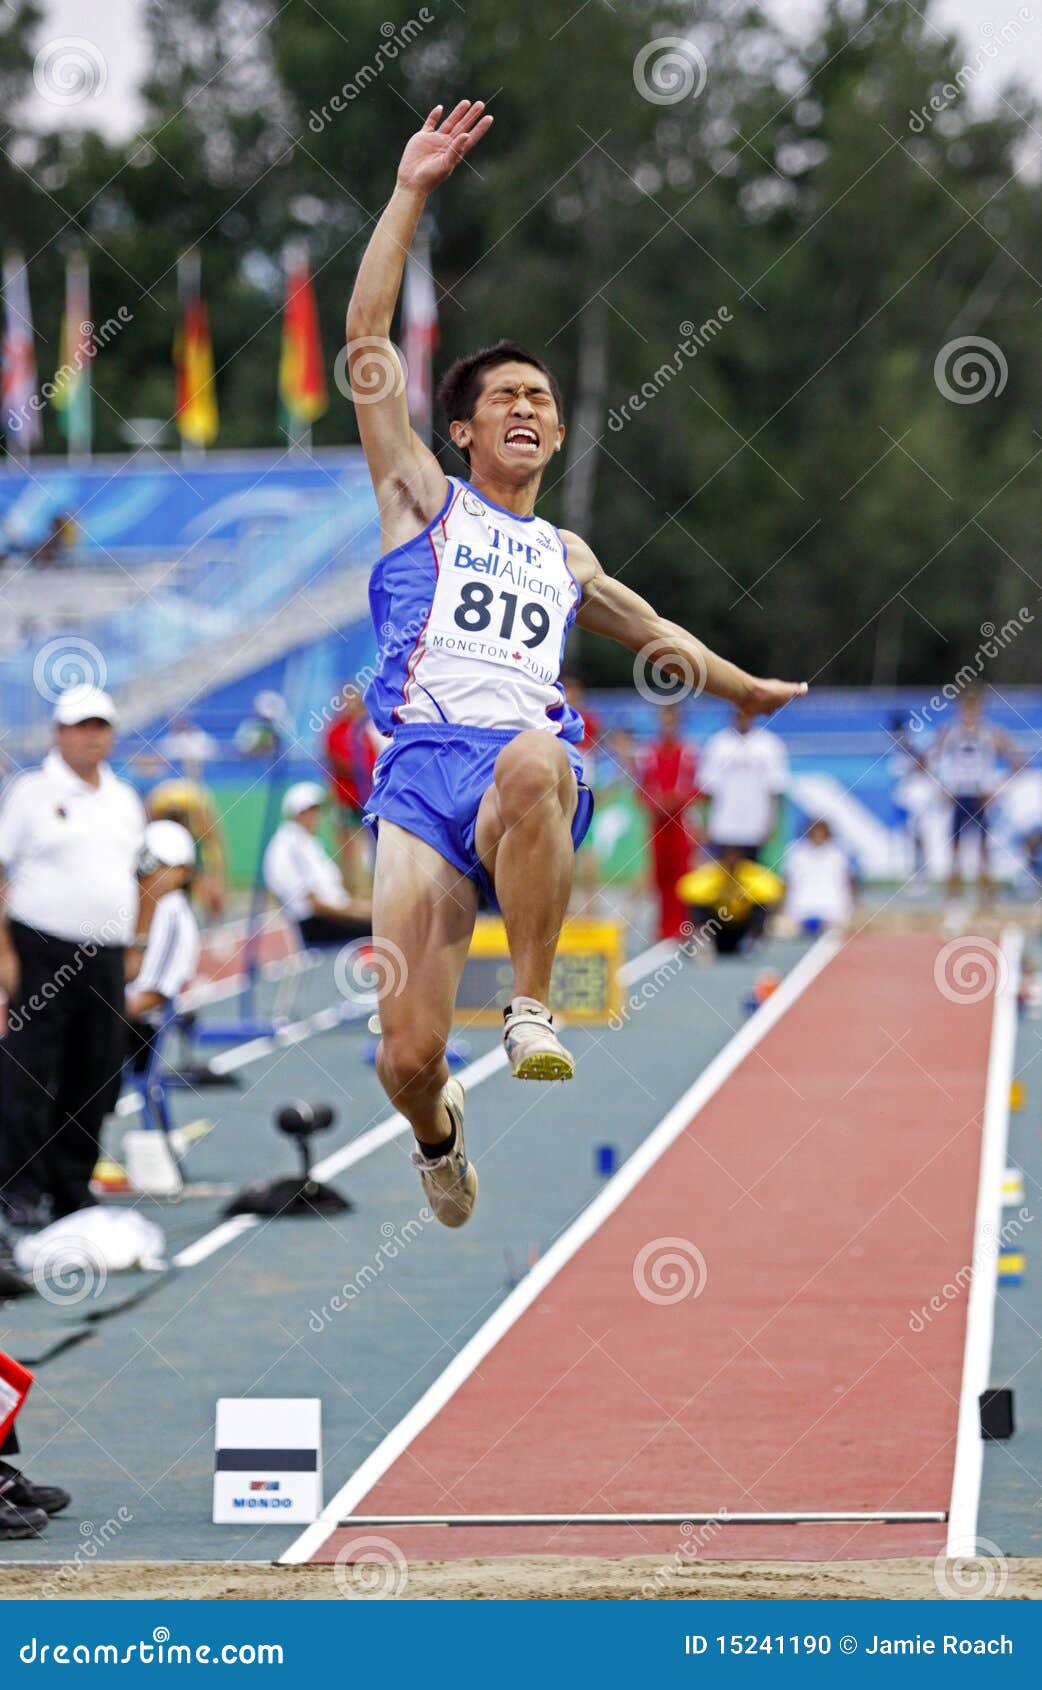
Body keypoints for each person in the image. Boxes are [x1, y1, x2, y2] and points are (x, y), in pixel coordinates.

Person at [345, 99, 806, 1228]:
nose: (526, 406)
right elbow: (366, 344)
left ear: (555, 437)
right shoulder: (420, 500)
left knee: (538, 754)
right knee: (405, 1055)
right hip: (419, 776)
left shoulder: (565, 555)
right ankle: (438, 1135)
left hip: (519, 771)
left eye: (541, 400)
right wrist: (409, 191)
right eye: (503, 396)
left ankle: (531, 1007)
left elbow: (654, 634)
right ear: (462, 430)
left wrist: (743, 687)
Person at [0, 685, 145, 1227]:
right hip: (41, 945)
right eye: (81, 726)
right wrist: (4, 953)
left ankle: (72, 1185)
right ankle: (20, 1186)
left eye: (100, 726)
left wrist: (135, 944)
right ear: (58, 733)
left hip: (105, 954)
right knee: (30, 1070)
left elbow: (138, 876)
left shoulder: (123, 798)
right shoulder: (31, 792)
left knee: (96, 1071)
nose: (91, 737)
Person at [125, 821, 201, 1073]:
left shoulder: (173, 915)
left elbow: (154, 995)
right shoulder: (140, 903)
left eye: (158, 865)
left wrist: (96, 1014)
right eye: (145, 865)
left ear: (183, 872)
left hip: (137, 1031)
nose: (148, 873)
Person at [932, 690, 1021, 903]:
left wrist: (997, 788)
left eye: (973, 709)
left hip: (980, 795)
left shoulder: (991, 733)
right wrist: (943, 786)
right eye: (966, 709)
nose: (969, 713)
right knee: (955, 845)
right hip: (959, 794)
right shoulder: (950, 732)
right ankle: (954, 894)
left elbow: (1017, 760)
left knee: (983, 847)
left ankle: (986, 893)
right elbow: (933, 759)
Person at [263, 783, 372, 945]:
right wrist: (358, 912)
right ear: (299, 812)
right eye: (311, 810)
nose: (316, 816)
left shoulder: (305, 841)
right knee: (382, 927)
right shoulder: (290, 844)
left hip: (328, 916)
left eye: (317, 810)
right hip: (316, 923)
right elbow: (314, 904)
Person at [637, 703, 701, 940]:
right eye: (664, 720)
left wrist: (675, 801)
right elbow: (642, 789)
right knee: (660, 874)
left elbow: (695, 788)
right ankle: (664, 925)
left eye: (672, 721)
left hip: (681, 822)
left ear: (679, 723)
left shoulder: (688, 752)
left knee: (682, 873)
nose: (668, 726)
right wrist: (655, 803)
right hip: (658, 822)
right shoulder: (648, 753)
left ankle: (682, 924)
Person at [701, 702, 789, 862]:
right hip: (723, 827)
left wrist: (771, 824)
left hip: (755, 828)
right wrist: (705, 824)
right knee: (723, 874)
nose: (742, 717)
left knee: (752, 875)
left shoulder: (770, 744)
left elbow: (775, 790)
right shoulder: (716, 744)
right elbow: (707, 791)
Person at [146, 776, 227, 920]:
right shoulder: (161, 804)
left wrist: (215, 878)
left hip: (186, 811)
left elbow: (212, 840)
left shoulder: (197, 808)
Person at [324, 689, 380, 897]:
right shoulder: (336, 731)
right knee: (349, 852)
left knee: (372, 849)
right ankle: (351, 894)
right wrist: (361, 769)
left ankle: (369, 893)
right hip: (346, 802)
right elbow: (340, 762)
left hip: (366, 801)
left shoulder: (366, 729)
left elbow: (374, 759)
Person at [677, 854, 785, 955]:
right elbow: (686, 890)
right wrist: (717, 894)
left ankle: (752, 940)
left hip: (741, 927)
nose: (732, 861)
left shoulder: (751, 873)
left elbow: (775, 891)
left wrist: (745, 894)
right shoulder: (713, 873)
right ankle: (702, 941)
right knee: (698, 907)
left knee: (760, 907)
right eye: (728, 855)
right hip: (717, 929)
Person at [784, 818, 855, 931]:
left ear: (827, 833)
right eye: (815, 832)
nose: (818, 836)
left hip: (831, 909)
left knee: (843, 926)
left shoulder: (838, 853)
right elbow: (788, 881)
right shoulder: (796, 851)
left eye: (821, 832)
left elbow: (846, 882)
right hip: (800, 909)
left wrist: (850, 908)